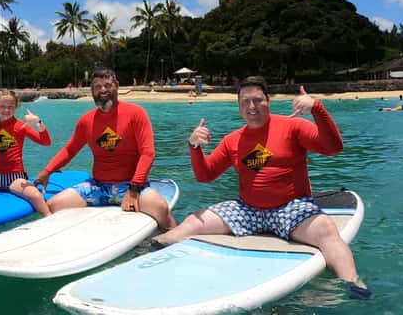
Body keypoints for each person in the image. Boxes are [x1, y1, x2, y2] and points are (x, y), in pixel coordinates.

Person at [155, 77, 370, 299]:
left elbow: (333, 147)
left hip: (290, 208)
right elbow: (205, 175)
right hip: (246, 210)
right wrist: (194, 146)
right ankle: (152, 251)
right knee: (192, 222)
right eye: (245, 102)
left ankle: (353, 284)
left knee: (326, 231)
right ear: (239, 107)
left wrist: (316, 108)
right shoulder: (233, 140)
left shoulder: (292, 127)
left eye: (258, 100)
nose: (251, 107)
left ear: (268, 101)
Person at [35, 68, 174, 227]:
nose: (103, 90)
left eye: (107, 85)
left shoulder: (136, 113)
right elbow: (70, 150)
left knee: (161, 208)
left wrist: (134, 189)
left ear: (116, 86)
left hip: (131, 185)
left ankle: (174, 241)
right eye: (97, 86)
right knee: (53, 205)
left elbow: (148, 153)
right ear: (92, 90)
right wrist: (47, 171)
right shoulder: (86, 121)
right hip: (97, 187)